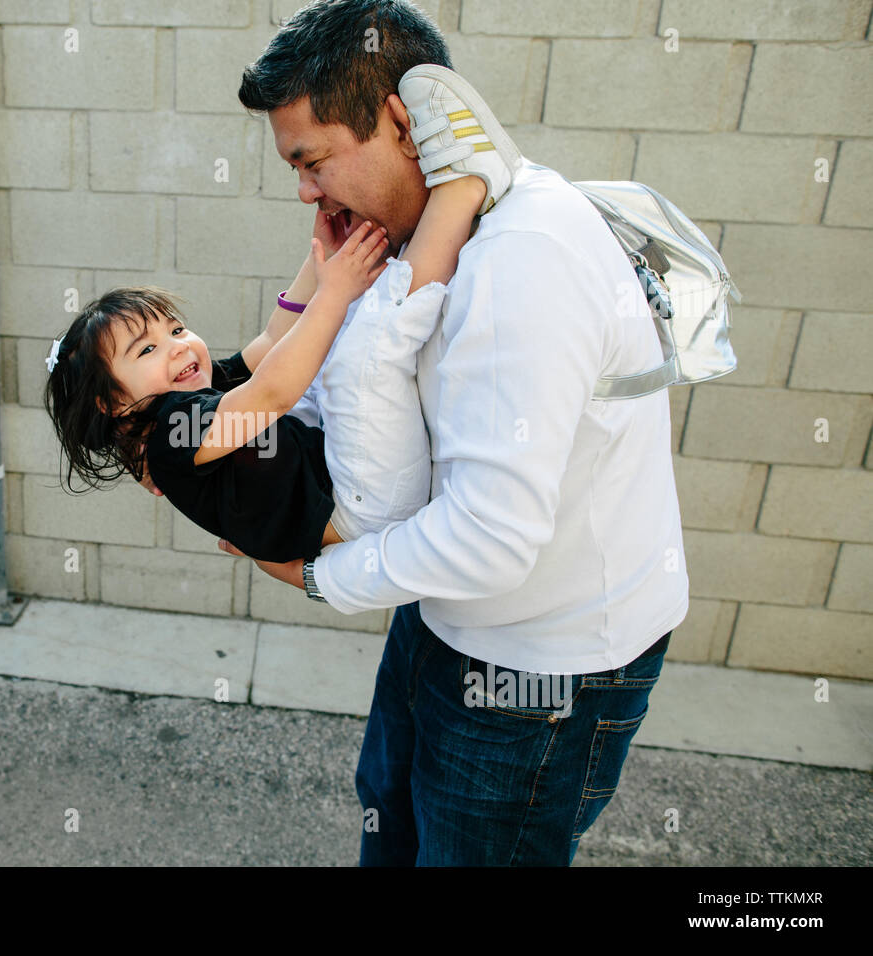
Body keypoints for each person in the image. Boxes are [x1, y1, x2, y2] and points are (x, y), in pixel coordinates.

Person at [230, 0, 688, 865]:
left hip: (541, 670)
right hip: (443, 618)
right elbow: (340, 396)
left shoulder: (524, 264)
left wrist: (319, 576)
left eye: (312, 160)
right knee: (390, 823)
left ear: (400, 122)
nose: (302, 190)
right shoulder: (416, 242)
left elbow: (491, 536)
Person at [41, 133, 512, 563]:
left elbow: (271, 343)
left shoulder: (191, 397)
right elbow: (271, 395)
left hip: (343, 477)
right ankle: (464, 186)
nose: (177, 347)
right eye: (146, 351)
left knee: (329, 339)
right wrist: (333, 291)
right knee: (365, 350)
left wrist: (322, 256)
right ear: (112, 403)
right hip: (357, 504)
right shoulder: (171, 434)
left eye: (177, 330)